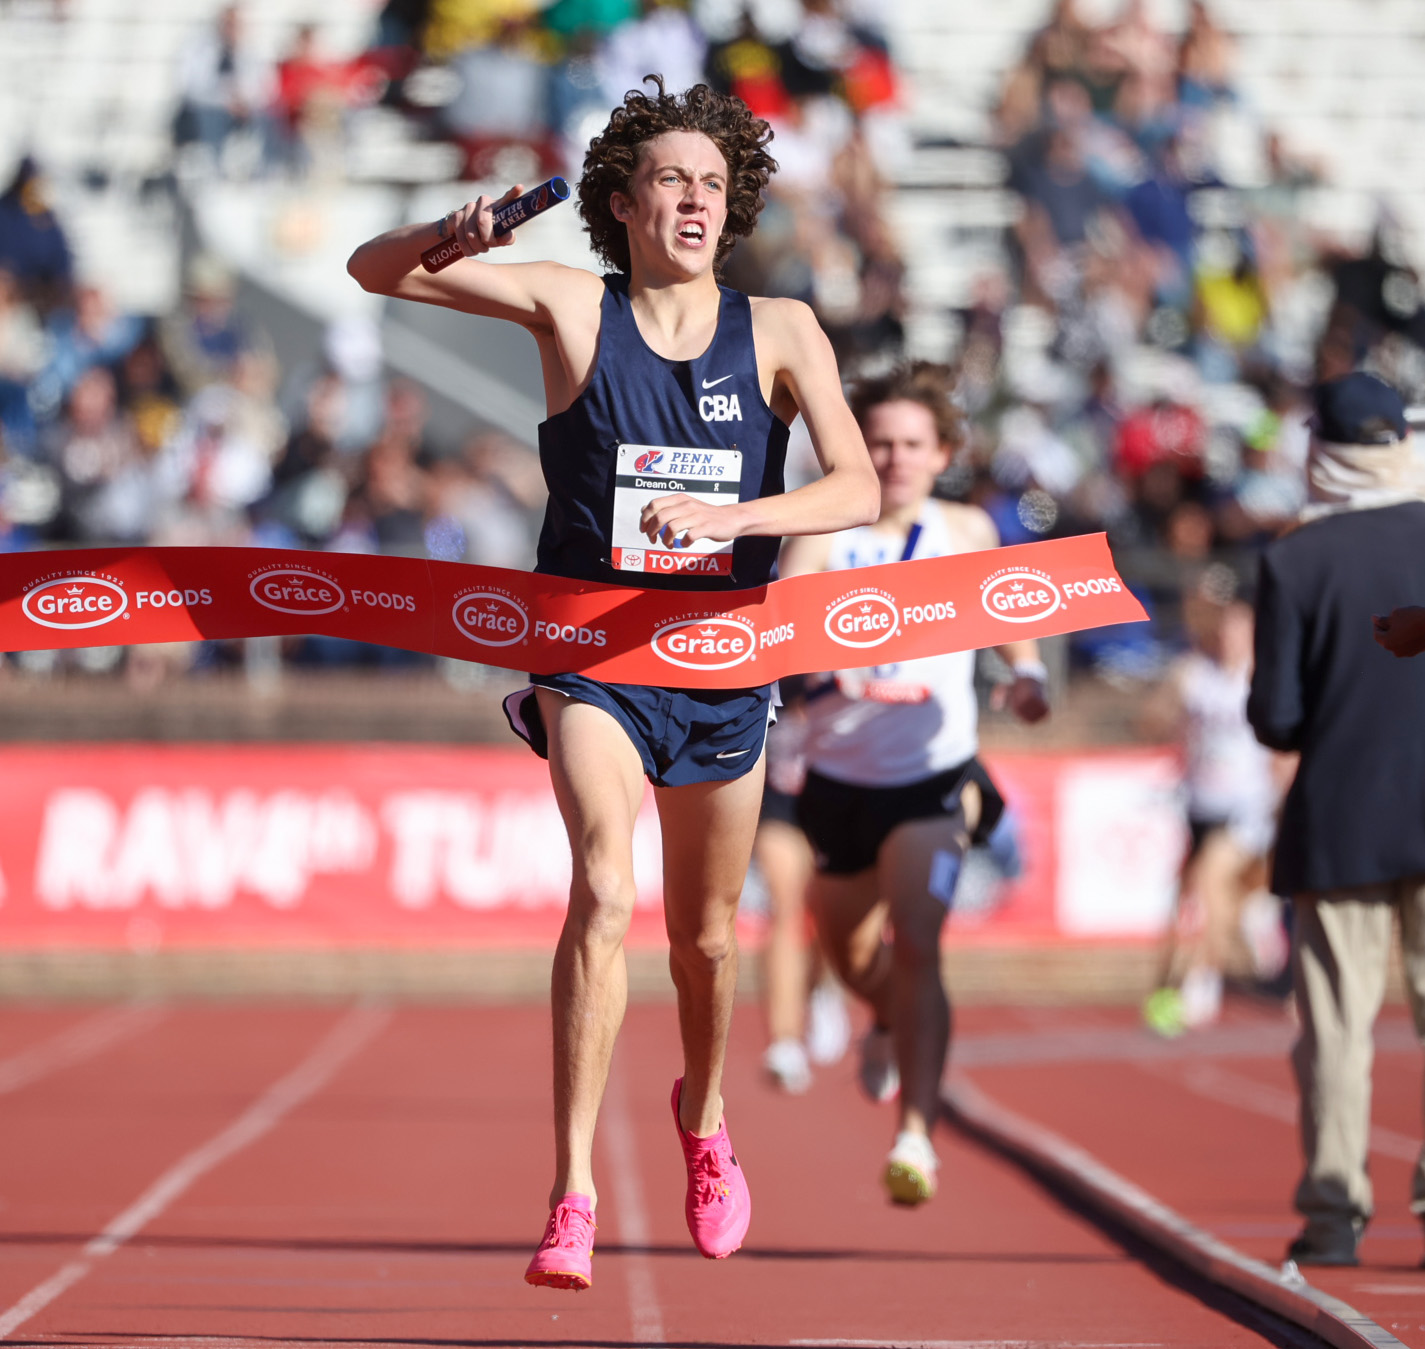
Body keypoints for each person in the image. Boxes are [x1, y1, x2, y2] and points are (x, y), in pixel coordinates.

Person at [347, 77, 879, 1289]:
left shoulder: (784, 327)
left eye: (712, 183)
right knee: (601, 880)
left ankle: (705, 1118)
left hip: (724, 664)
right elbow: (372, 272)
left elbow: (857, 487)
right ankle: (572, 1188)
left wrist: (735, 513)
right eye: (671, 182)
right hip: (590, 653)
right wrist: (451, 234)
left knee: (703, 939)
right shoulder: (571, 307)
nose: (694, 200)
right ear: (625, 203)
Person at [782, 361, 1049, 1206]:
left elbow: (1011, 616)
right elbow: (784, 629)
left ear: (941, 454)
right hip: (835, 777)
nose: (893, 458)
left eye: (909, 444)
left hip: (933, 773)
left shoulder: (967, 528)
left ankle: (916, 1137)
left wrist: (1028, 676)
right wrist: (834, 669)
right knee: (853, 955)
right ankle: (887, 1020)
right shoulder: (823, 528)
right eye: (878, 443)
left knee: (921, 943)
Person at [1247, 371, 1425, 1267]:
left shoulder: (1294, 558)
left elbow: (1274, 717)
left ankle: (1332, 1215)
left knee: (1335, 1030)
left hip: (1340, 820)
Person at [1140, 569, 1285, 1036]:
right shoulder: (1195, 675)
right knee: (1185, 898)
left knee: (1210, 882)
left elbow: (1287, 747)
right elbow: (1153, 722)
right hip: (1200, 804)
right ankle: (1252, 917)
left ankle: (1202, 984)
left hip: (1247, 807)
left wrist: (1281, 796)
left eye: (1240, 628)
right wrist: (1168, 702)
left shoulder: (1264, 679)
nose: (1230, 637)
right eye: (1224, 628)